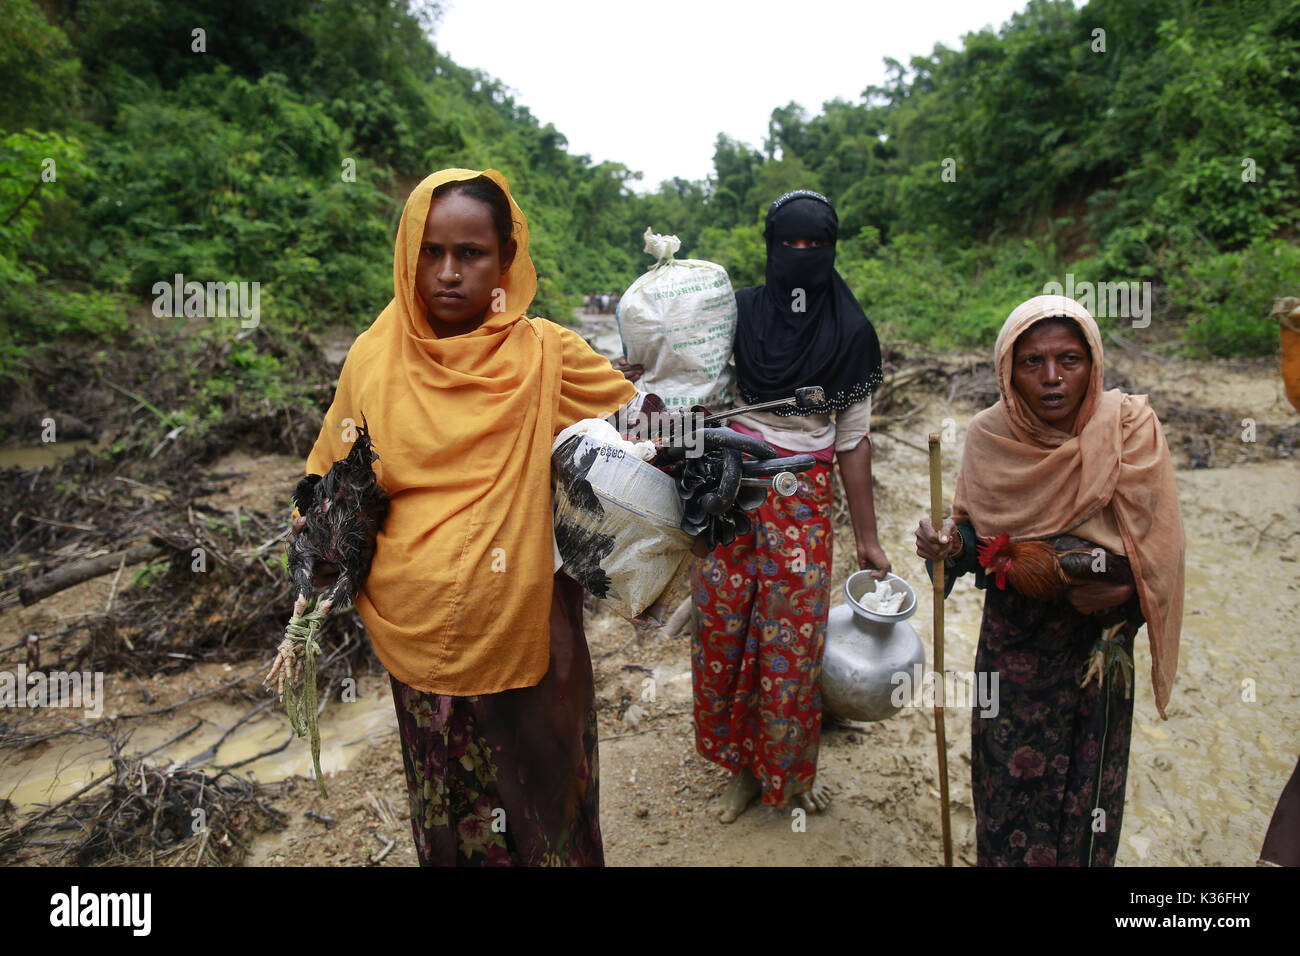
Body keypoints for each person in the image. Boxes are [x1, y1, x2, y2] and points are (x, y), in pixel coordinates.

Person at [287, 167, 683, 866]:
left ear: (506, 261)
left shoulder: (546, 356)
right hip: (418, 645)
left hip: (532, 636)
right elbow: (329, 479)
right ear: (409, 251)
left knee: (549, 808)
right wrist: (318, 544)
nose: (446, 273)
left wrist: (704, 449)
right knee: (455, 824)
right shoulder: (374, 360)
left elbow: (641, 424)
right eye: (430, 252)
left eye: (470, 254)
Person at [914, 294, 1185, 866]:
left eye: (1069, 359)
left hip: (1100, 649)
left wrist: (1130, 593)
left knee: (1089, 798)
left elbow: (1158, 550)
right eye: (1032, 362)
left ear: (1094, 362)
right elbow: (976, 541)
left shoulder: (1131, 429)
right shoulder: (992, 436)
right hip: (1016, 653)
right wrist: (946, 545)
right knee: (1008, 790)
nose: (1053, 378)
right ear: (1008, 369)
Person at [690, 189, 890, 823]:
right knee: (725, 629)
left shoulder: (851, 331)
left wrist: (869, 538)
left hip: (803, 500)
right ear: (770, 248)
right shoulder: (738, 313)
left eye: (814, 246)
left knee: (790, 645)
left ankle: (790, 772)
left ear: (831, 250)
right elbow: (697, 388)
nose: (800, 257)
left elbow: (854, 442)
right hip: (732, 488)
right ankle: (743, 772)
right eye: (789, 245)